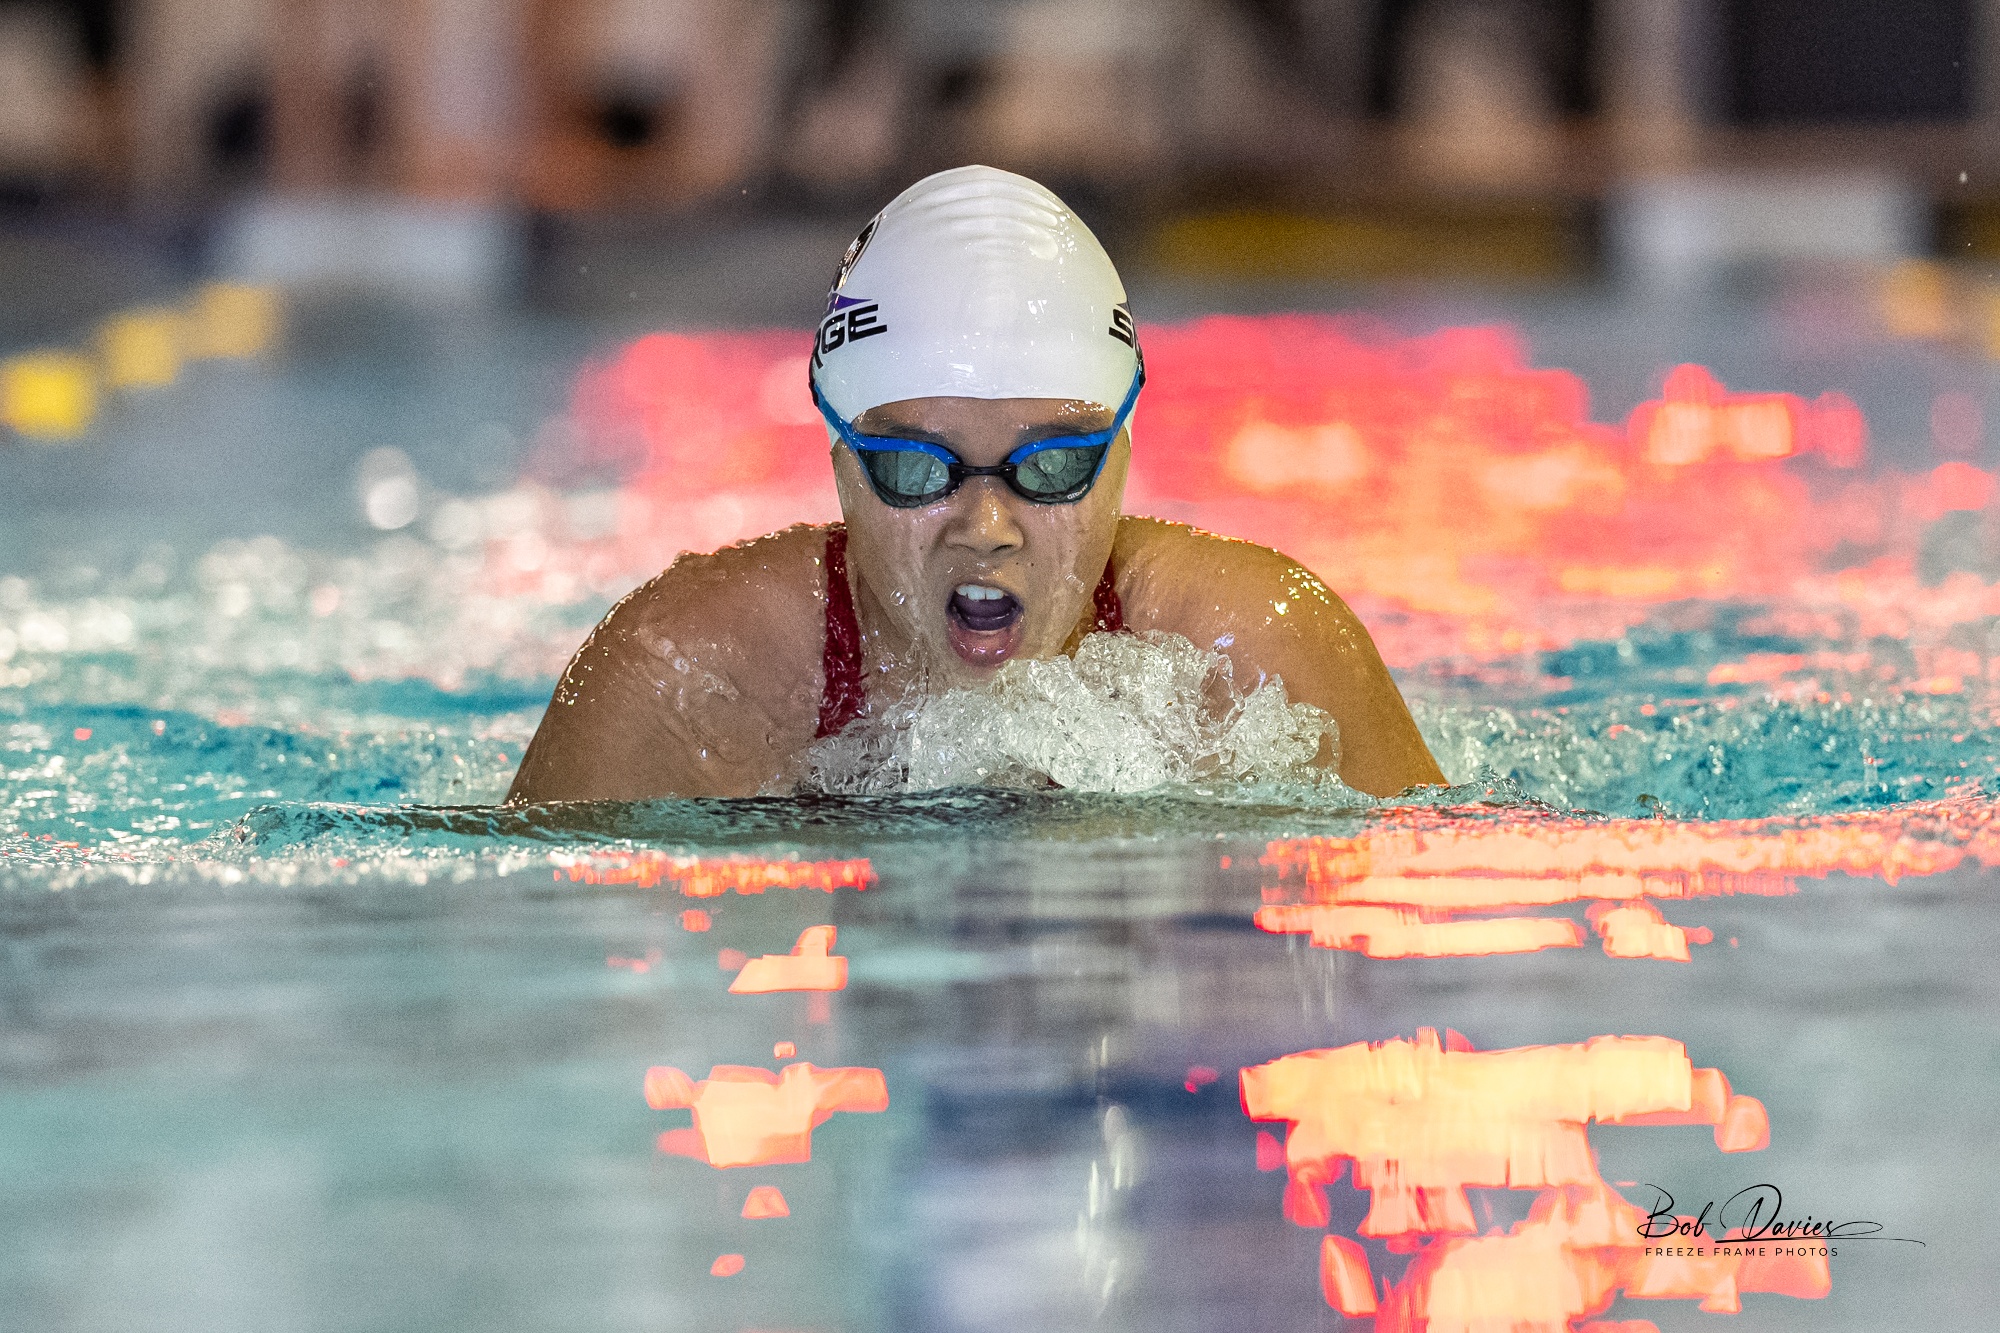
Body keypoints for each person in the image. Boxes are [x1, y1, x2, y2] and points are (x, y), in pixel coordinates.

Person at [507, 166, 1444, 802]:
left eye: (1054, 466)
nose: (987, 524)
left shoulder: (1260, 658)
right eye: (919, 469)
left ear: (1121, 454)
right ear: (839, 460)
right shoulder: (684, 685)